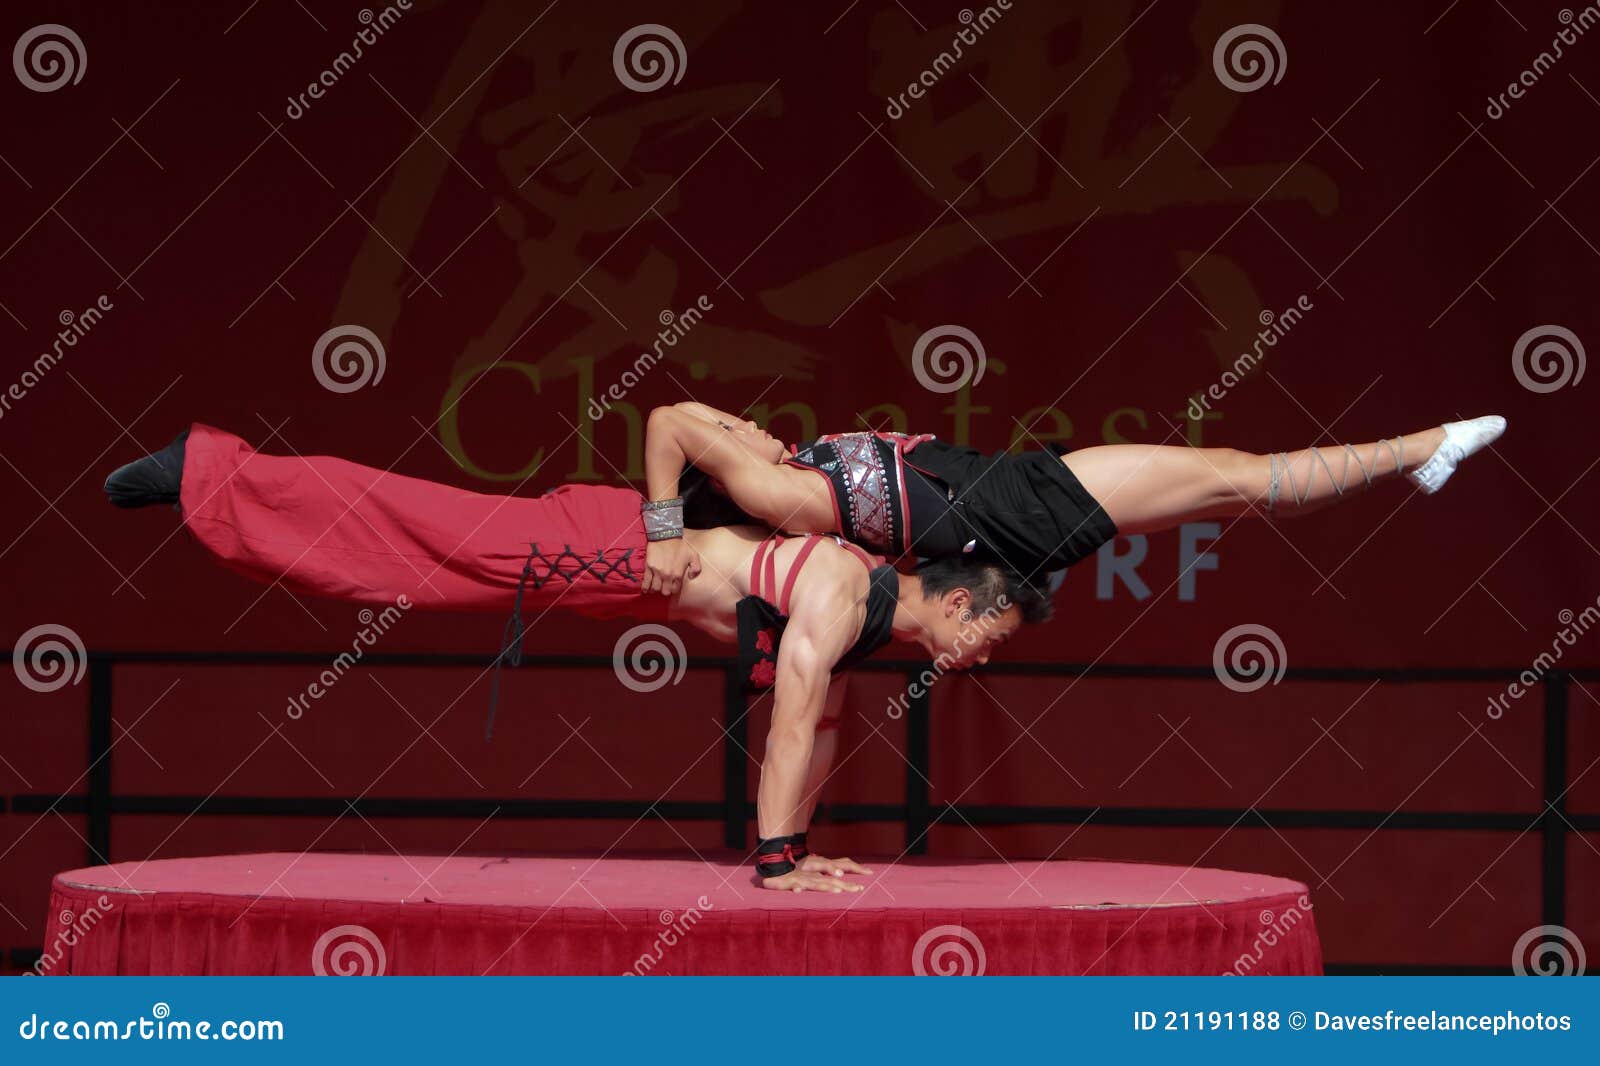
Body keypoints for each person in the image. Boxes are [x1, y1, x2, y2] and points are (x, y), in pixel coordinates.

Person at [104, 424, 1051, 894]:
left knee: (391, 567)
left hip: (605, 569)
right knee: (395, 528)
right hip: (603, 547)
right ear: (962, 601)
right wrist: (774, 863)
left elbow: (824, 729)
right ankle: (203, 469)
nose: (979, 657)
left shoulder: (869, 599)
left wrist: (801, 848)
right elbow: (791, 721)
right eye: (988, 637)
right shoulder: (847, 591)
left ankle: (217, 488)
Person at [641, 402, 1507, 594]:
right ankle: (1423, 446)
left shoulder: (790, 471)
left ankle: (1410, 464)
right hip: (1022, 502)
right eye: (734, 424)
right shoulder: (769, 484)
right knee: (1242, 473)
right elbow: (667, 419)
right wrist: (662, 535)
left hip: (1017, 509)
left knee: (1243, 493)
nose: (745, 420)